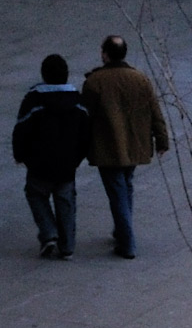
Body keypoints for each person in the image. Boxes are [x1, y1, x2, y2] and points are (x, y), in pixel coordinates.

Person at [80, 31, 168, 257]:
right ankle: (122, 231)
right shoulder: (140, 78)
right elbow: (155, 111)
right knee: (126, 186)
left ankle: (127, 242)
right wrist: (162, 139)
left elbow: (85, 117)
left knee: (118, 191)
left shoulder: (94, 81)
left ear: (105, 55)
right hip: (135, 145)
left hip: (108, 148)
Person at [11, 51, 93, 257]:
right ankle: (67, 247)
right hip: (66, 165)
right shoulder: (77, 101)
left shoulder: (34, 99)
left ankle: (49, 233)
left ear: (44, 74)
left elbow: (21, 129)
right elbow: (86, 134)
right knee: (66, 203)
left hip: (39, 164)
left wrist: (20, 155)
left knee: (35, 194)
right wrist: (78, 157)